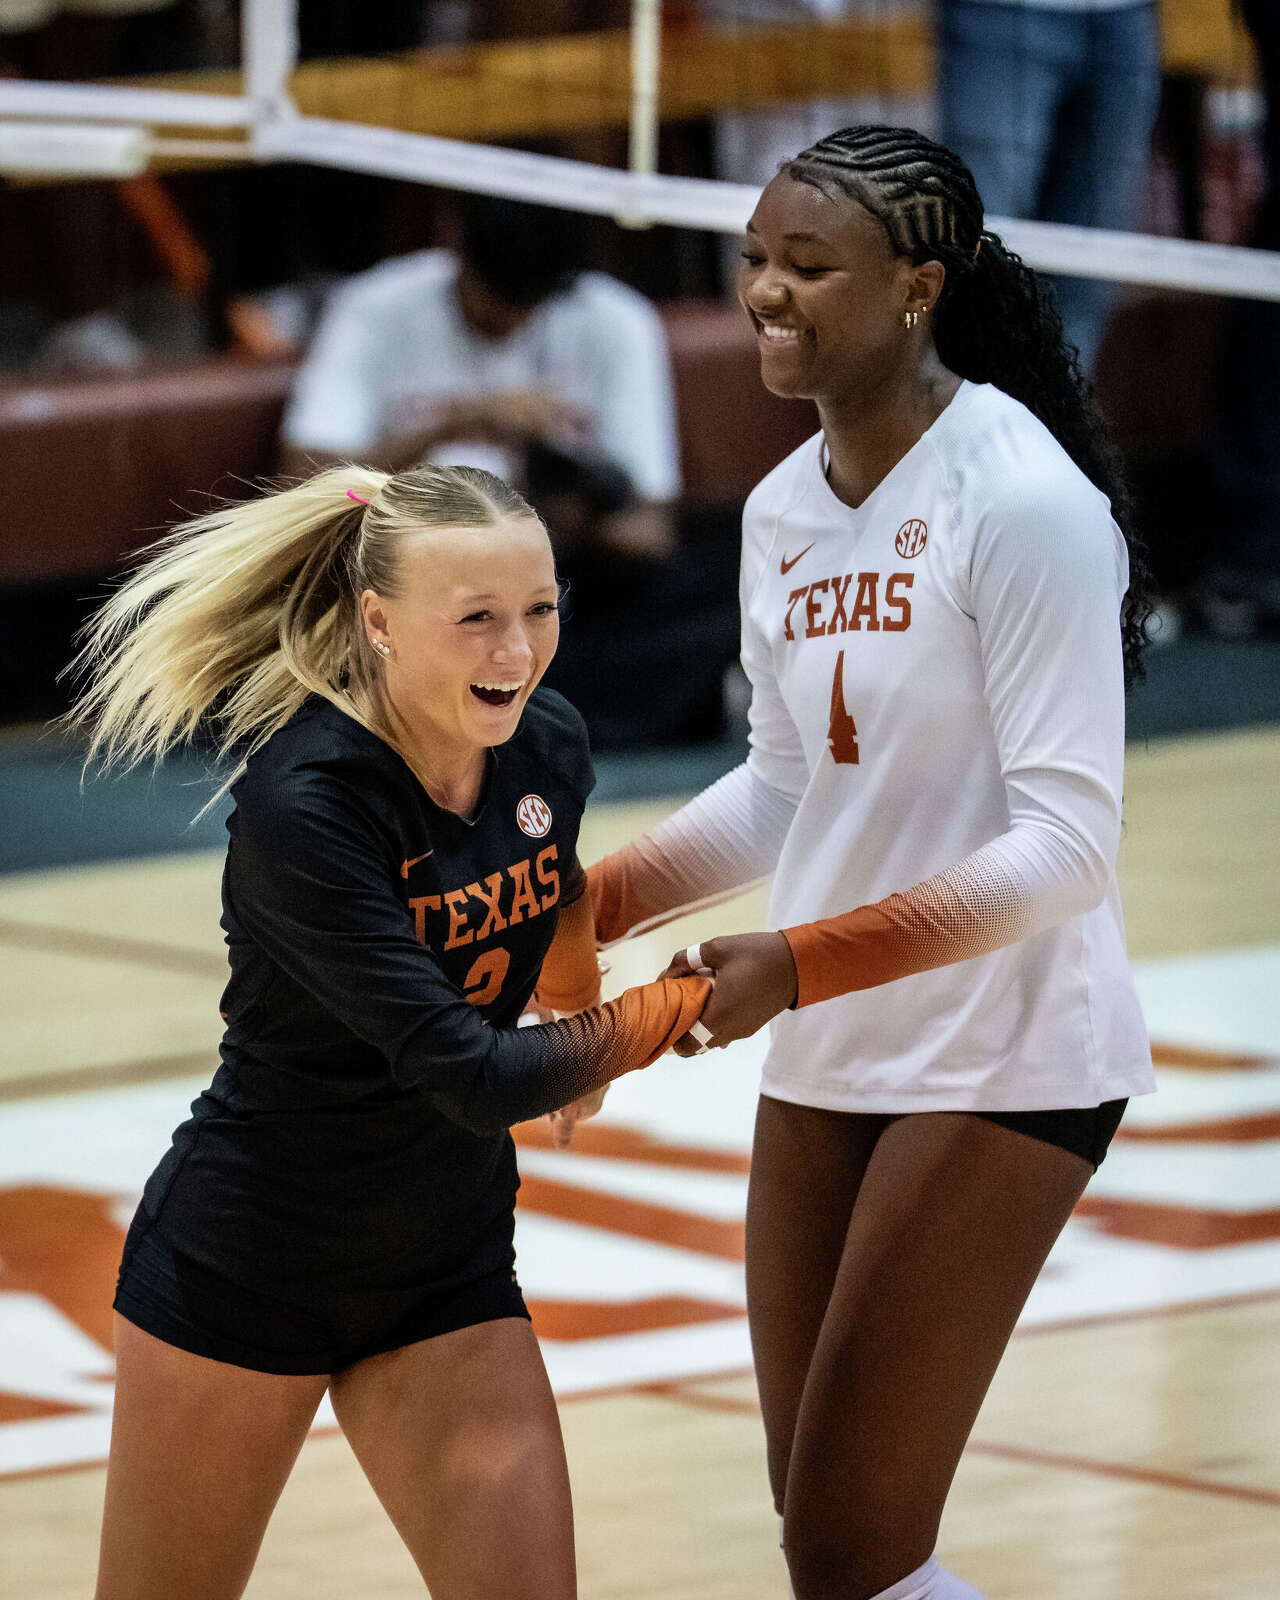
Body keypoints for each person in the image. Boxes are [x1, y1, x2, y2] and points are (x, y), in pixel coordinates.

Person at [587, 125, 1156, 1600]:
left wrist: (803, 958)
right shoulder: (781, 511)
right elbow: (788, 789)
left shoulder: (1021, 502)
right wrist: (597, 901)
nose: (765, 292)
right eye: (756, 260)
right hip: (835, 1044)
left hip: (1012, 1054)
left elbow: (1069, 849)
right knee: (829, 1542)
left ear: (917, 287)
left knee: (850, 1541)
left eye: (807, 266)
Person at [68, 462, 709, 1600]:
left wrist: (569, 992)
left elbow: (547, 876)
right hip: (252, 1262)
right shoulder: (307, 801)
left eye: (538, 611)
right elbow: (469, 1075)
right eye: (473, 621)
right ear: (378, 621)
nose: (512, 653)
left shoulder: (546, 741)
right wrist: (684, 1005)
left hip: (442, 1264)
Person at [278, 191, 681, 568]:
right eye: (497, 295)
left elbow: (651, 533)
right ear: (454, 242)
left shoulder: (614, 318)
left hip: (565, 574)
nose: (512, 320)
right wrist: (454, 427)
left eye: (531, 302)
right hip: (406, 566)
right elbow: (304, 491)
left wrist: (555, 499)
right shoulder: (377, 307)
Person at [934, 0, 1161, 374]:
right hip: (998, 16)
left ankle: (1052, 425)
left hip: (1127, 16)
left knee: (1089, 272)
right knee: (977, 257)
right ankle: (968, 422)